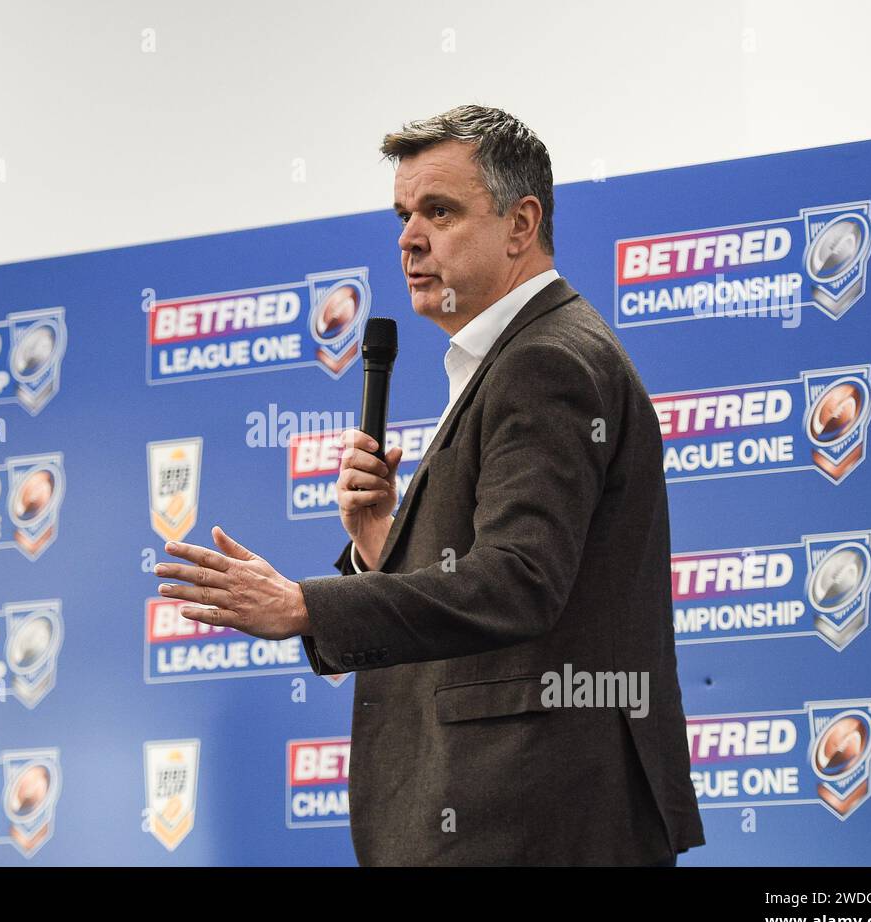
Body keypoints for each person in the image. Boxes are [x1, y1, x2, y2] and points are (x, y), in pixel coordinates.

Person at [153, 104, 705, 866]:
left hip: (535, 819)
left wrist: (305, 604)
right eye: (404, 214)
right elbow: (515, 589)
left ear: (521, 223)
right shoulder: (515, 357)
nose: (409, 238)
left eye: (439, 211)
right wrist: (382, 543)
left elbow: (518, 584)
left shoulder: (547, 363)